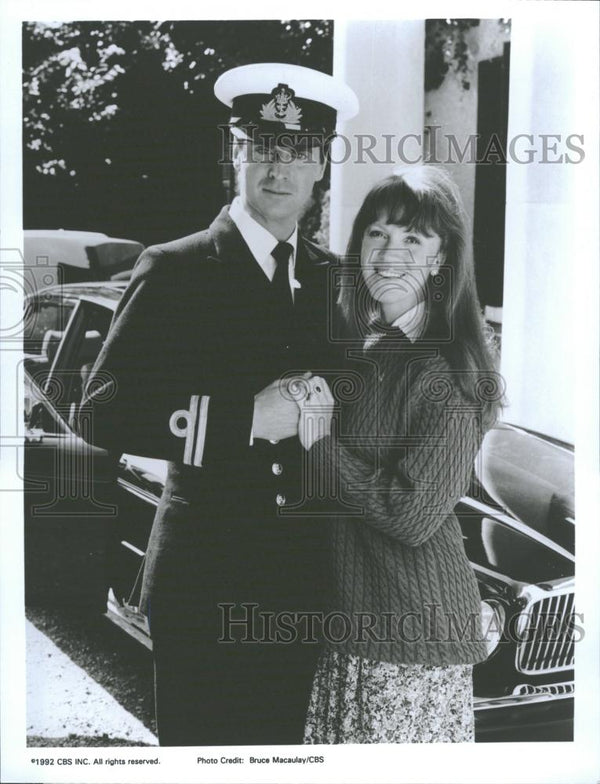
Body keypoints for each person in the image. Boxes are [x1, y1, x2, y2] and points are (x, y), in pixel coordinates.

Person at [78, 62, 358, 746]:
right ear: (237, 151)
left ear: (321, 164)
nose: (278, 169)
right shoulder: (175, 267)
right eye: (263, 147)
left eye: (296, 153)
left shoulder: (332, 279)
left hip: (302, 581)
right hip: (207, 578)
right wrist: (245, 418)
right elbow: (101, 413)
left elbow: (357, 392)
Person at [297, 165, 504, 744]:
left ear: (442, 261)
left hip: (412, 638)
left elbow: (411, 515)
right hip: (355, 623)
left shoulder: (445, 369)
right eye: (378, 233)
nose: (390, 253)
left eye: (414, 238)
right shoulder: (364, 344)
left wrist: (320, 443)